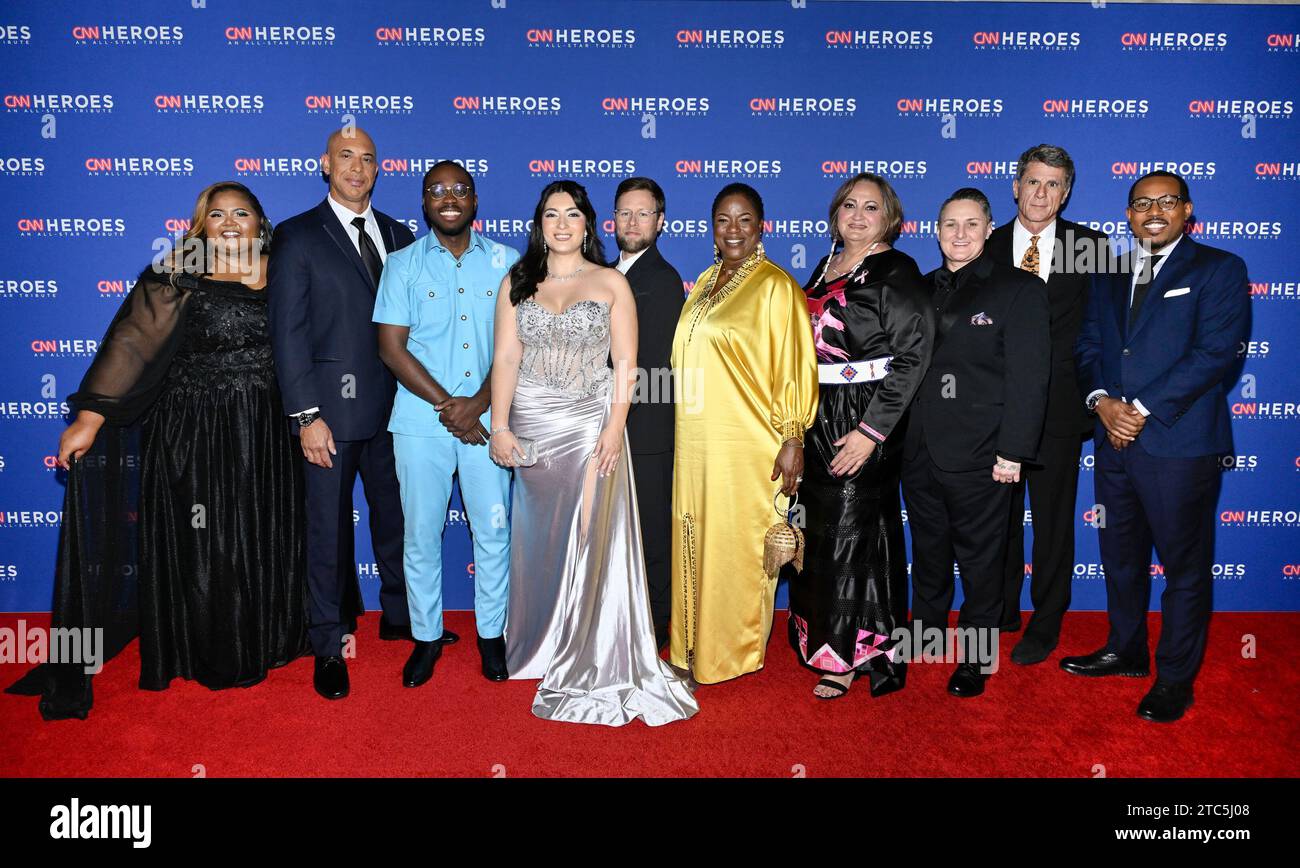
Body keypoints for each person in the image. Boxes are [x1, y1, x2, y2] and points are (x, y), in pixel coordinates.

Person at [55, 180, 308, 694]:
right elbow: (132, 341)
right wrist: (90, 418)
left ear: (261, 221)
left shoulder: (285, 266)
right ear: (202, 226)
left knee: (261, 527)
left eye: (242, 213)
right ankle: (205, 645)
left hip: (267, 428)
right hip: (196, 429)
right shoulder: (180, 269)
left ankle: (266, 637)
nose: (232, 223)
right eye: (218, 216)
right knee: (206, 535)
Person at [489, 180, 697, 726]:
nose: (562, 224)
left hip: (589, 424)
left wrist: (614, 426)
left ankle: (587, 647)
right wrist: (500, 426)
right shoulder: (515, 282)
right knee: (540, 538)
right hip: (531, 425)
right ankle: (538, 646)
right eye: (552, 214)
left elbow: (628, 363)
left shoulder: (609, 283)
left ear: (588, 224)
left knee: (588, 535)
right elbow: (506, 358)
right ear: (539, 225)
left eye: (573, 215)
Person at [1065, 170, 1250, 723]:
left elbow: (1217, 353)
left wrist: (1138, 410)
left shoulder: (1219, 268)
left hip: (1179, 444)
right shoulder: (1109, 272)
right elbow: (1090, 345)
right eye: (1142, 202)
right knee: (1121, 559)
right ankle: (1126, 650)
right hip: (1113, 440)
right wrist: (1101, 402)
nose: (1153, 210)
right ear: (1127, 215)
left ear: (1186, 211)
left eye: (1166, 201)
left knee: (1183, 568)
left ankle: (1174, 678)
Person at [268, 128, 423, 701]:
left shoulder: (400, 235)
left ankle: (402, 616)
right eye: (346, 158)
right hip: (328, 415)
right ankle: (328, 646)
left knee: (398, 521)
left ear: (378, 169)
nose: (357, 168)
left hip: (397, 411)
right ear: (325, 164)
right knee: (327, 531)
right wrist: (306, 414)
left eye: (368, 159)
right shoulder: (297, 236)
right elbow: (288, 333)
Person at [788, 173, 934, 699]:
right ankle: (842, 640)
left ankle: (847, 655)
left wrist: (870, 433)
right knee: (827, 531)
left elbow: (915, 354)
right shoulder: (826, 265)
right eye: (849, 205)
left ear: (889, 218)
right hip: (817, 410)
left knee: (853, 529)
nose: (857, 215)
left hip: (865, 414)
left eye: (870, 207)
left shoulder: (896, 269)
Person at [375, 161, 519, 687]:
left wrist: (478, 402)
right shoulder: (402, 264)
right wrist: (450, 406)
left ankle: (491, 637)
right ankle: (427, 638)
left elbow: (516, 345)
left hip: (489, 422)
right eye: (437, 190)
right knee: (419, 536)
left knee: (494, 533)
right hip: (419, 425)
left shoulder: (508, 262)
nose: (449, 197)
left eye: (459, 189)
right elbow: (390, 348)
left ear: (475, 200)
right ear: (424, 202)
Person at [902, 188, 1050, 698]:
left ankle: (976, 658)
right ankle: (922, 634)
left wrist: (1013, 451)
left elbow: (1031, 379)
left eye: (971, 224)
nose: (959, 234)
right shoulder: (918, 288)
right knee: (928, 550)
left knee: (984, 562)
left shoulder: (1019, 290)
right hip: (919, 449)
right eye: (949, 224)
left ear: (990, 230)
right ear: (936, 230)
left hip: (985, 451)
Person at [669, 183, 818, 685]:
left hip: (749, 443)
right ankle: (688, 649)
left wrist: (794, 436)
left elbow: (795, 364)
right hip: (695, 443)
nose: (733, 230)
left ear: (762, 227)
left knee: (733, 548)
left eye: (745, 220)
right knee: (695, 538)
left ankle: (724, 654)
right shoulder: (708, 280)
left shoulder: (776, 286)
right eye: (723, 221)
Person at [985, 144, 1113, 665]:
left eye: (1053, 184)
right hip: (994, 408)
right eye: (1033, 182)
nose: (1041, 193)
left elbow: (1106, 329)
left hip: (1060, 410)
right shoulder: (985, 245)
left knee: (1055, 521)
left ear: (1066, 192)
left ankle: (1047, 618)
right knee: (1000, 517)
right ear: (1016, 186)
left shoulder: (1092, 246)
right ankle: (1001, 610)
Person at [611, 176, 685, 650]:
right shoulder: (604, 271)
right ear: (611, 220)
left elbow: (649, 363)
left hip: (646, 429)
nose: (633, 222)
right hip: (606, 426)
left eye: (643, 213)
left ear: (660, 222)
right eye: (624, 212)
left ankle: (657, 629)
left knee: (652, 534)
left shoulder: (660, 280)